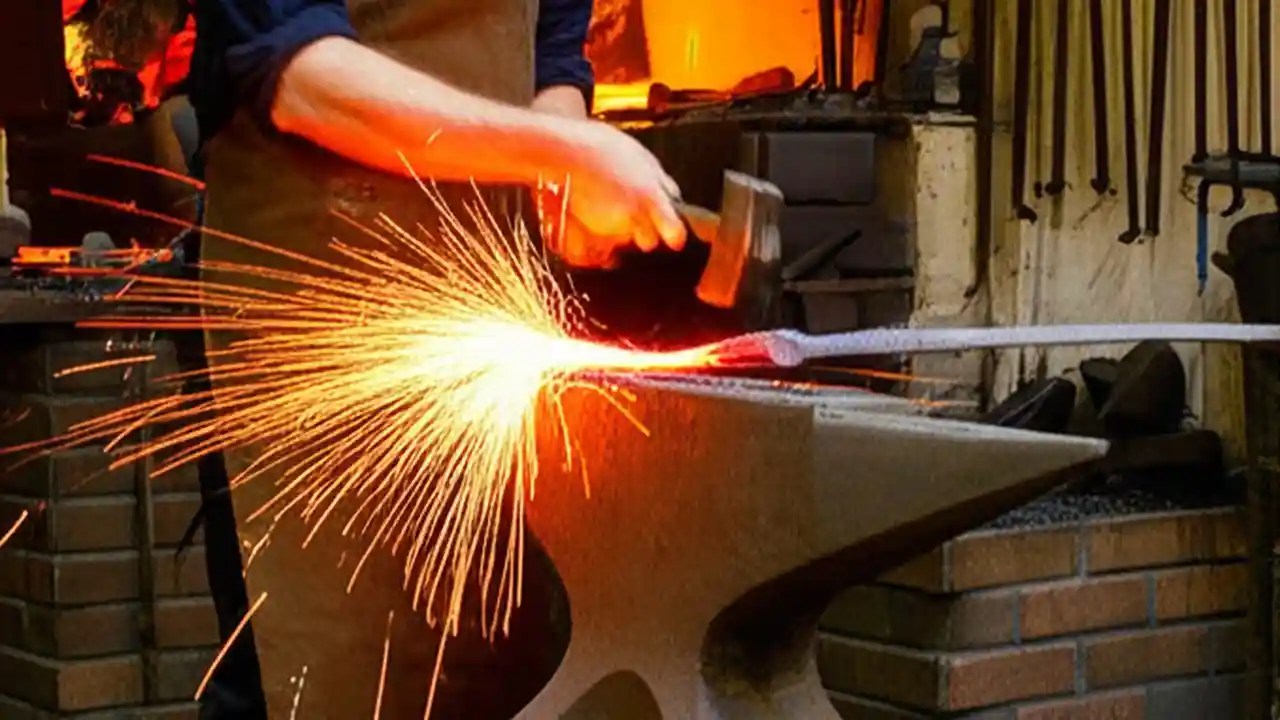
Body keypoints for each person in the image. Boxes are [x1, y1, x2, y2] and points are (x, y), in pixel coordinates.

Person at [184, 1, 686, 718]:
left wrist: (563, 180)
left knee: (494, 666)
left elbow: (554, 54)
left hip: (491, 297)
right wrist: (558, 153)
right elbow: (300, 76)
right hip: (326, 317)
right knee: (317, 679)